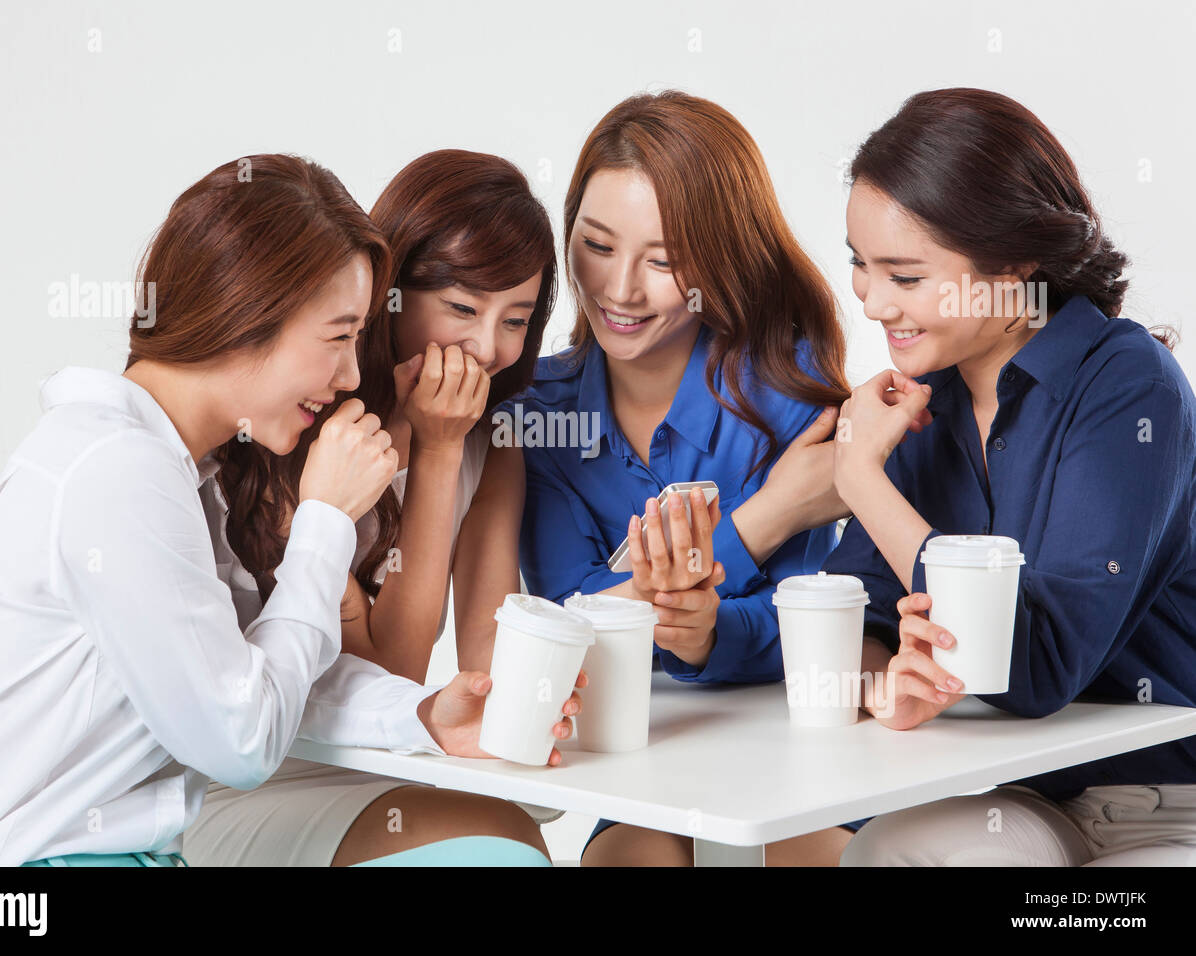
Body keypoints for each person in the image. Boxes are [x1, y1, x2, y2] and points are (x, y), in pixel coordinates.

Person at [0, 154, 579, 867]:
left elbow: (265, 670)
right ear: (248, 315)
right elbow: (243, 739)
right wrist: (324, 521)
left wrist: (422, 715)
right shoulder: (117, 474)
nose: (351, 373)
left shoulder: (187, 473)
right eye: (340, 336)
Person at [818, 88, 1196, 866]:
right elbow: (857, 616)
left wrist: (859, 478)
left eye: (907, 275)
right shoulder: (933, 400)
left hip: (1165, 810)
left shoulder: (1131, 387)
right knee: (888, 849)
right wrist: (890, 678)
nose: (874, 303)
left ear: (1015, 265)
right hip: (1014, 796)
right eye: (862, 265)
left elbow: (1035, 668)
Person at [505, 91, 870, 866]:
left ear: (720, 261)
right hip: (642, 757)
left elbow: (815, 630)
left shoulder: (788, 393)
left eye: (663, 261)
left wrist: (708, 633)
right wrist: (766, 517)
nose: (621, 289)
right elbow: (569, 625)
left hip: (796, 745)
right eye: (597, 245)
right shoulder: (538, 411)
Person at [183, 149, 570, 865]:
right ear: (388, 297)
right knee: (499, 847)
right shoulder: (297, 423)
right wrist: (436, 453)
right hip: (254, 778)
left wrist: (536, 696)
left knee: (515, 830)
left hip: (393, 759)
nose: (486, 348)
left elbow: (484, 663)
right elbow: (392, 666)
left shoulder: (496, 443)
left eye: (515, 319)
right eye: (461, 309)